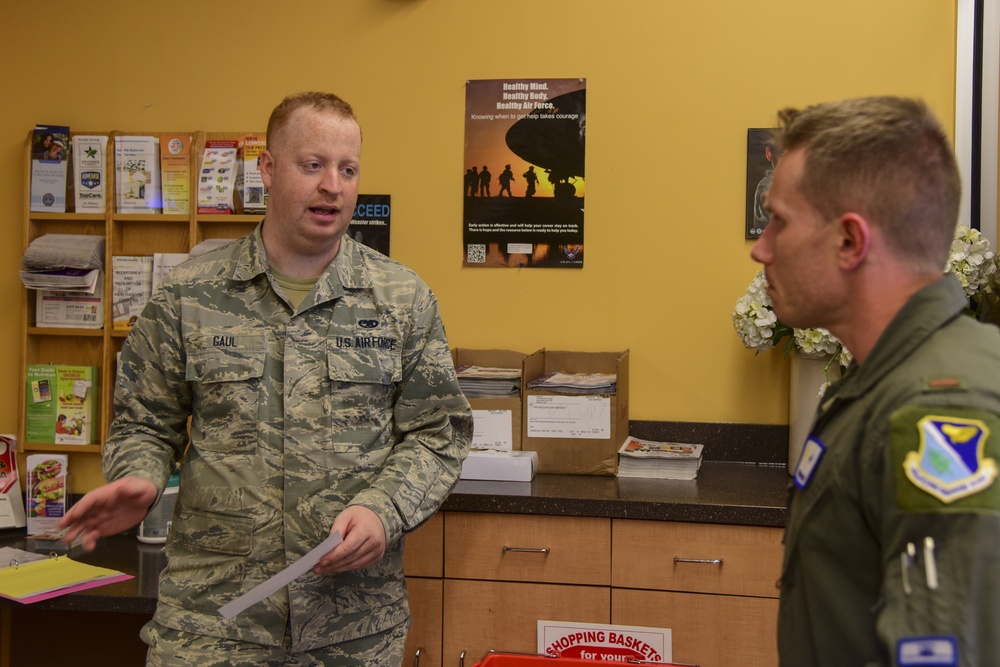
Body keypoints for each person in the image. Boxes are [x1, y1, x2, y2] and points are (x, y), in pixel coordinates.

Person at [59, 91, 473, 667]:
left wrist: (384, 508)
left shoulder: (402, 299)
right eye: (313, 165)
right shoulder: (189, 293)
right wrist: (140, 476)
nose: (334, 185)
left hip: (349, 629)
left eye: (347, 169)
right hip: (212, 625)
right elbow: (143, 423)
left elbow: (439, 433)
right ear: (269, 170)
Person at [751, 96, 1000, 666]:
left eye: (779, 221)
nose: (760, 247)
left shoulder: (938, 410)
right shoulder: (881, 382)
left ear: (850, 242)